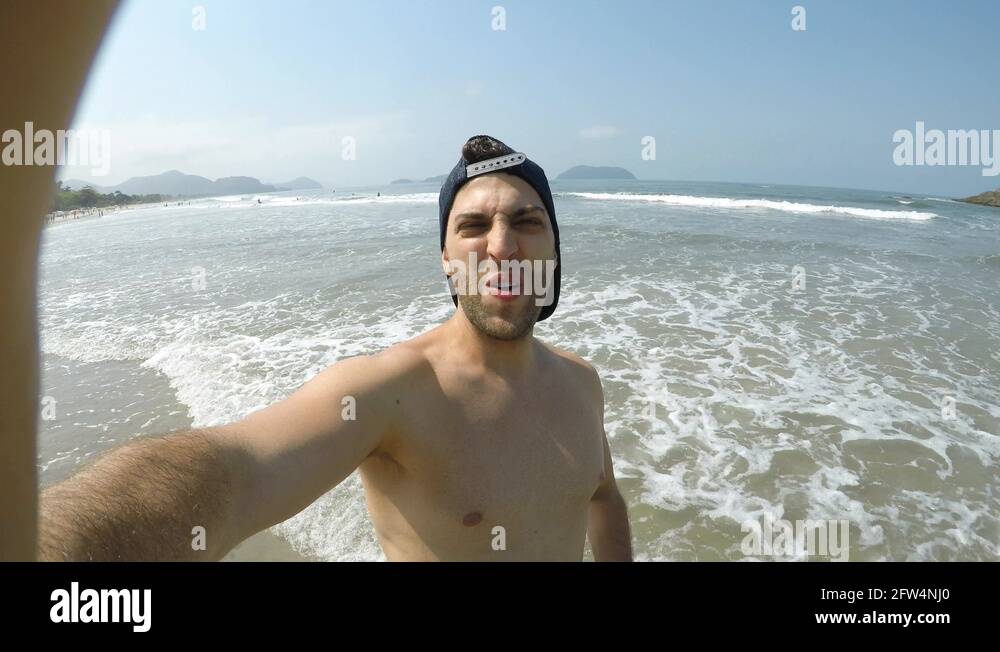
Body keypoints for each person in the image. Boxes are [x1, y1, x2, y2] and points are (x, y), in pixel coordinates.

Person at [36, 135, 633, 561]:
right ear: (447, 262)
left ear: (554, 250)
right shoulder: (388, 392)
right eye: (473, 227)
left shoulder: (581, 383)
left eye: (527, 222)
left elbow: (604, 498)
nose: (501, 247)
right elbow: (237, 471)